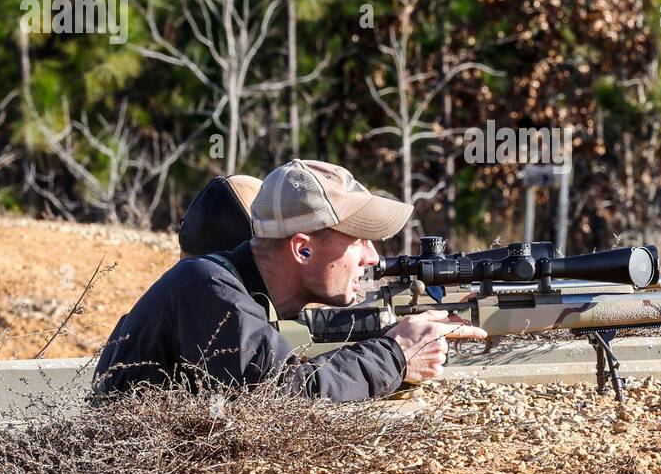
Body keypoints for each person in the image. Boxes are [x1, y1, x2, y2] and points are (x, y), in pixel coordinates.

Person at [93, 159, 486, 400]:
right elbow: (285, 396)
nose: (372, 257)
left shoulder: (244, 295)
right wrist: (395, 355)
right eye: (359, 240)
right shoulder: (205, 285)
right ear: (302, 249)